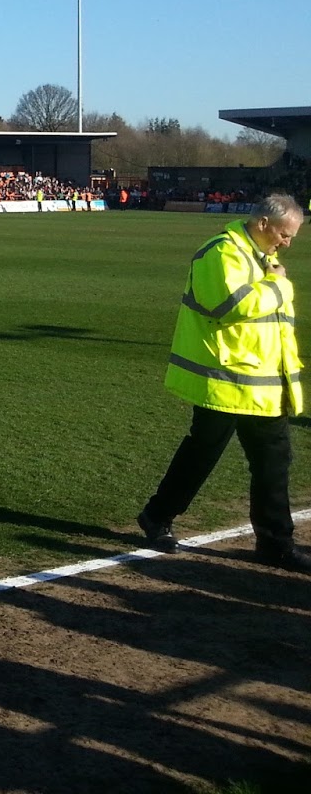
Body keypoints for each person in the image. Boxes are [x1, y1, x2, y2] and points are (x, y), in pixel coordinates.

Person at [137, 193, 307, 572]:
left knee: (273, 464)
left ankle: (276, 543)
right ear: (263, 223)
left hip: (263, 383)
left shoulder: (261, 257)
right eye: (284, 234)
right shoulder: (220, 251)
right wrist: (279, 286)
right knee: (202, 455)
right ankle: (157, 514)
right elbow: (229, 307)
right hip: (225, 380)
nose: (287, 243)